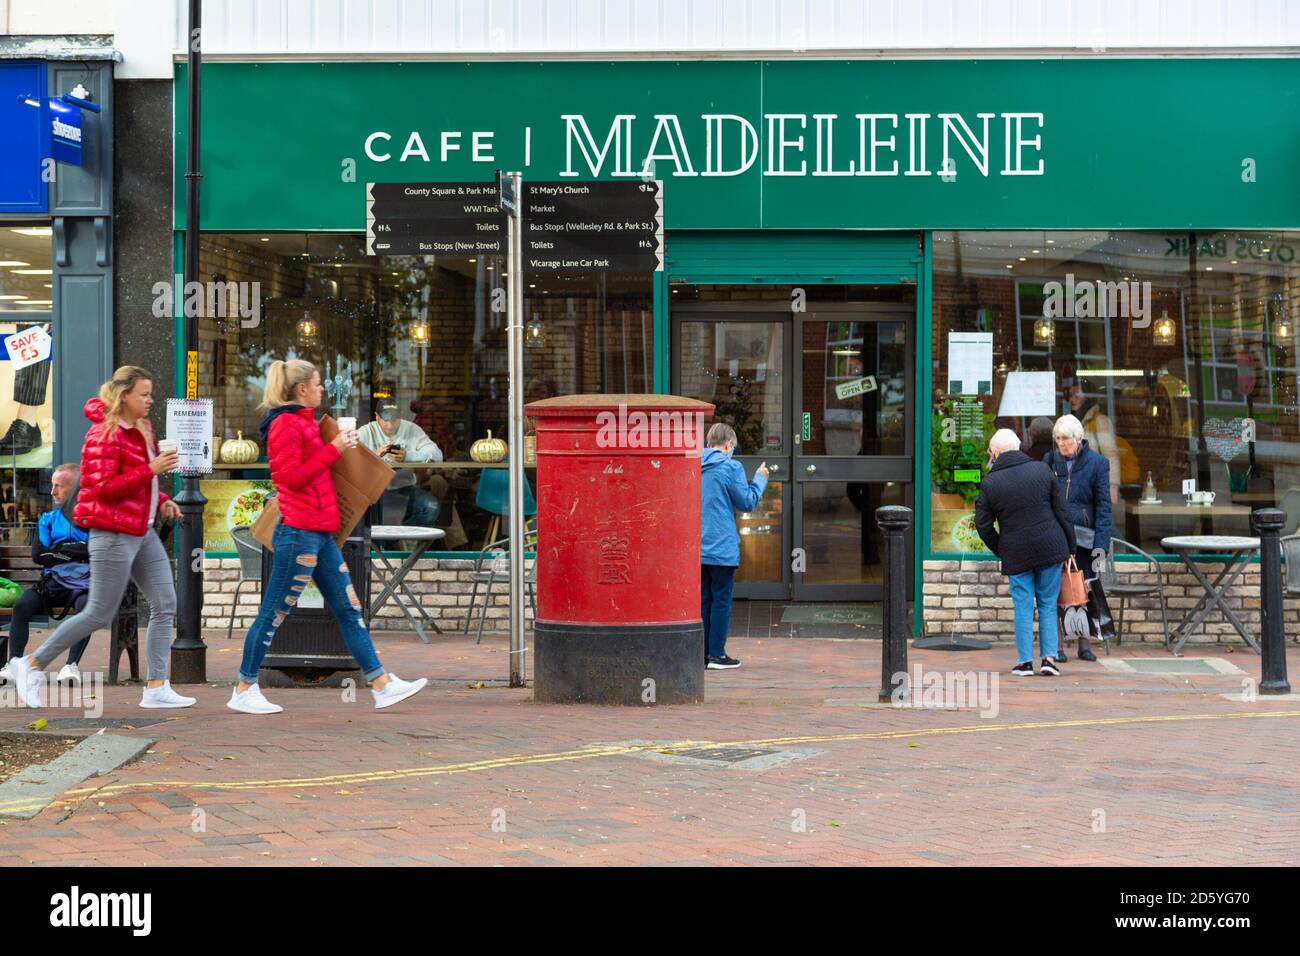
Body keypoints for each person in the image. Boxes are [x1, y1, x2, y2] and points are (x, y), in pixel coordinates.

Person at [229, 359, 427, 714]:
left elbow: (316, 469)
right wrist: (334, 448)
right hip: (298, 533)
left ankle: (381, 684)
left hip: (319, 533)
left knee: (349, 609)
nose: (322, 390)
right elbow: (290, 478)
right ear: (301, 389)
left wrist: (338, 448)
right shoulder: (285, 425)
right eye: (318, 384)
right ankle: (244, 687)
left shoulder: (304, 423)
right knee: (274, 612)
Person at [8, 367, 191, 709]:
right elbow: (102, 489)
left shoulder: (144, 428)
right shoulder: (102, 435)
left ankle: (156, 686)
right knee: (98, 612)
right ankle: (31, 665)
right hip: (111, 531)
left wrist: (163, 501)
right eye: (144, 394)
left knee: (165, 603)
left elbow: (141, 484)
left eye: (151, 394)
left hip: (142, 529)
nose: (151, 400)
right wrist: (151, 470)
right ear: (124, 396)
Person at [974, 428, 1076, 677]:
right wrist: (1070, 546)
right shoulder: (1041, 470)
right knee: (1048, 604)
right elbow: (1062, 512)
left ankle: (1025, 663)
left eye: (991, 452)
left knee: (1022, 606)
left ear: (996, 452)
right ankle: (1049, 660)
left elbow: (982, 525)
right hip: (1049, 546)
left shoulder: (990, 483)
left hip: (1016, 550)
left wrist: (1001, 548)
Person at [0, 464, 92, 686]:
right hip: (52, 584)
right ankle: (14, 665)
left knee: (86, 609)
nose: (52, 492)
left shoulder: (92, 518)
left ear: (75, 489)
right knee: (22, 605)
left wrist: (60, 550)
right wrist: (74, 551)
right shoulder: (48, 519)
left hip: (83, 586)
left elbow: (95, 550)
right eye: (52, 486)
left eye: (58, 486)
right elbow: (39, 555)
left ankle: (71, 666)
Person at [1043, 414, 1115, 662]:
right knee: (1055, 590)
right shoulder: (1050, 461)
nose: (1062, 444)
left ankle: (1085, 644)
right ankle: (1058, 646)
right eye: (1059, 439)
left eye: (1067, 439)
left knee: (1083, 590)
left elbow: (1104, 507)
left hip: (1085, 538)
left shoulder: (1098, 464)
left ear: (1080, 439)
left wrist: (1100, 548)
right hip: (1056, 535)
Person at [700, 423, 768, 670]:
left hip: (697, 545)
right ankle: (717, 654)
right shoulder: (730, 466)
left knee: (703, 599)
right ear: (728, 444)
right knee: (721, 600)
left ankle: (703, 653)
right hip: (721, 545)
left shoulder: (693, 464)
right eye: (733, 447)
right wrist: (760, 480)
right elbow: (747, 502)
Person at [357, 400, 443, 526]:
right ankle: (393, 541)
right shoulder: (366, 431)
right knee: (376, 517)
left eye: (394, 420)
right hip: (375, 492)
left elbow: (437, 455)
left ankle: (402, 540)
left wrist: (408, 456)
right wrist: (375, 457)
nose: (390, 426)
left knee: (431, 507)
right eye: (385, 420)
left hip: (406, 489)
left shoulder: (411, 429)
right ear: (377, 416)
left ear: (401, 416)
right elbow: (350, 460)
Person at [1066, 383, 1121, 504]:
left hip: (1095, 486)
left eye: (1076, 395)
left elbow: (1110, 455)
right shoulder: (1073, 421)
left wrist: (1112, 486)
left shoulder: (1099, 421)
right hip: (1078, 487)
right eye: (1070, 395)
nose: (1071, 399)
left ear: (1087, 397)